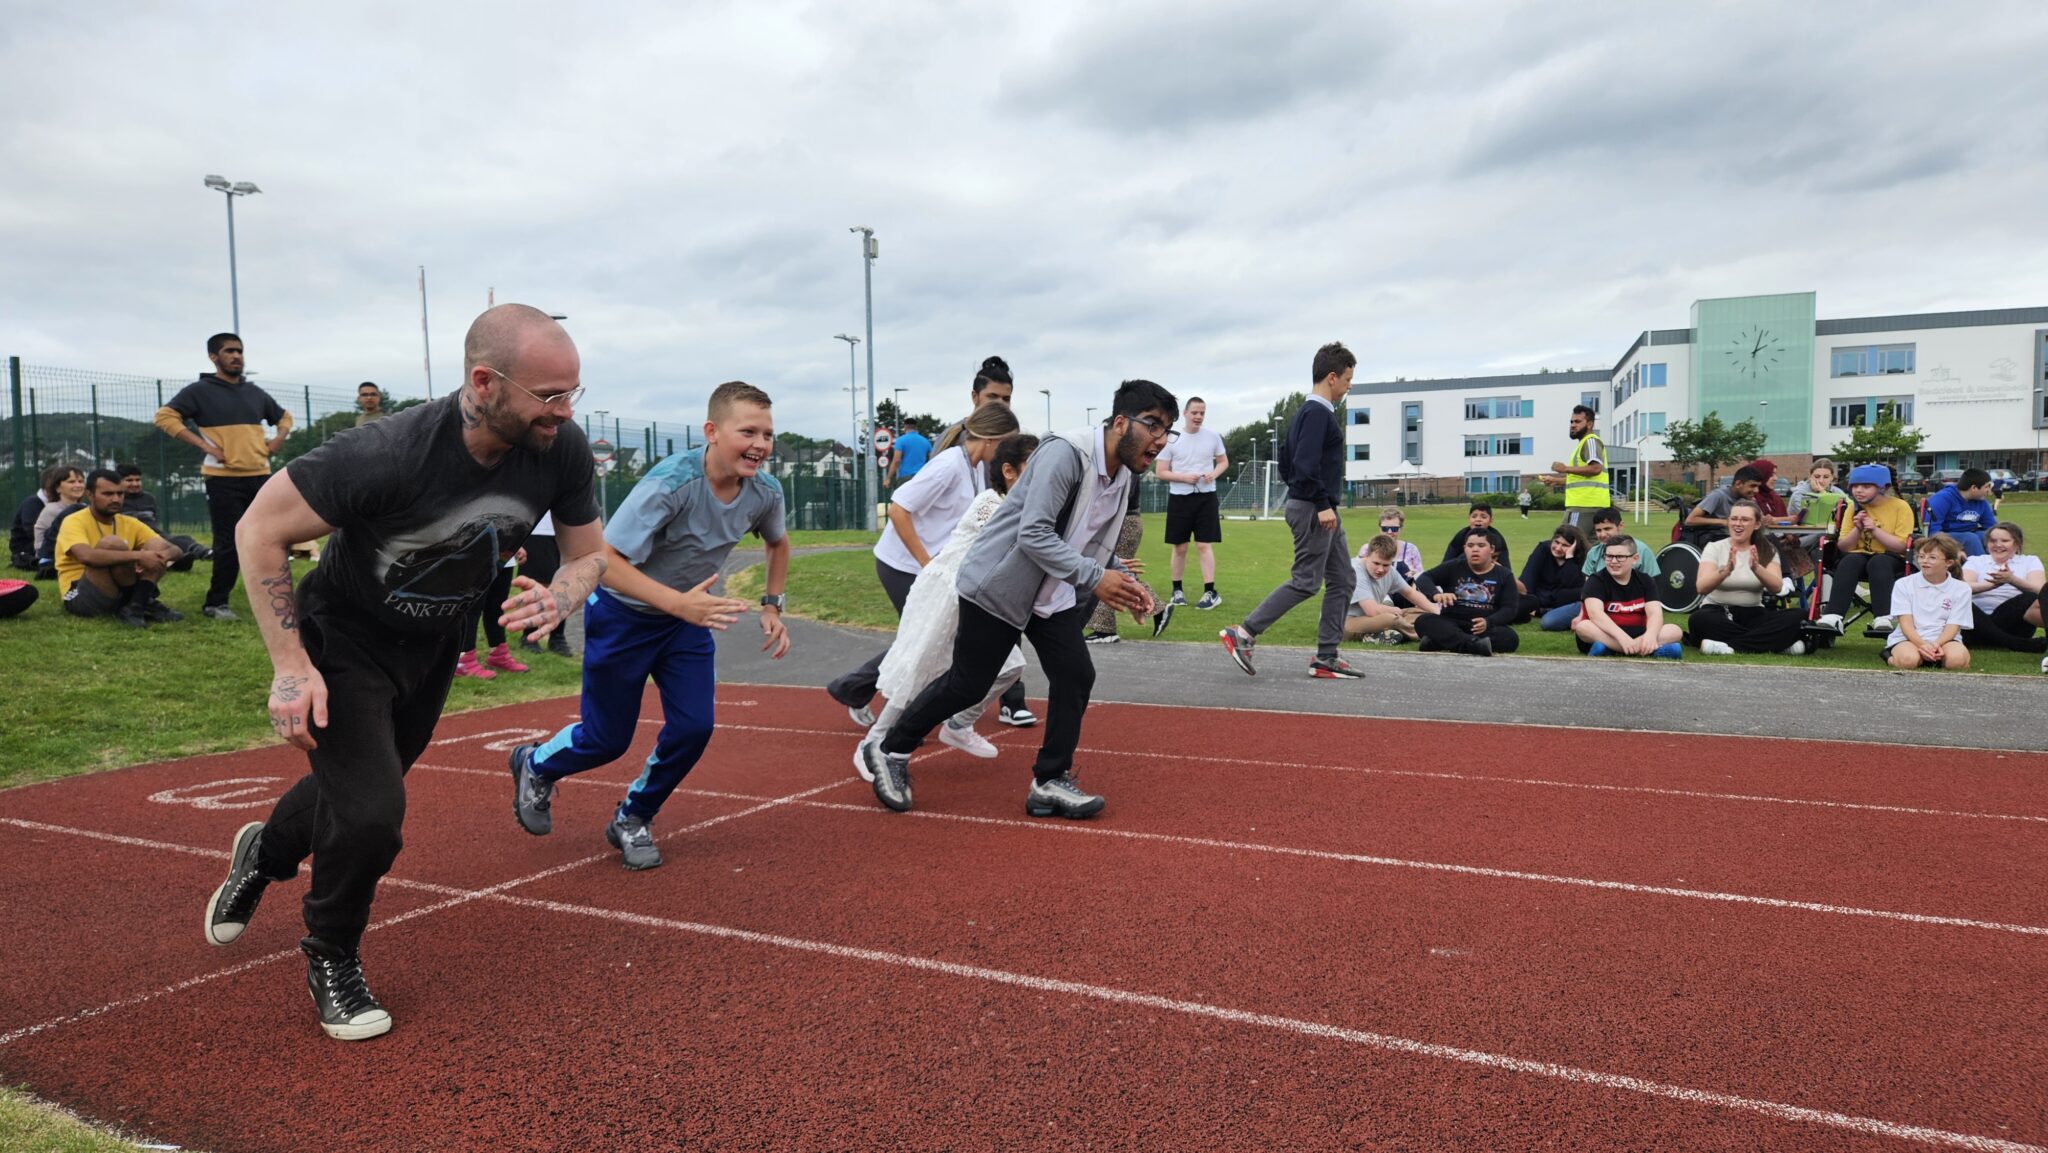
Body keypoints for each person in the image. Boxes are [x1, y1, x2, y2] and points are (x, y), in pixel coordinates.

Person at [200, 305, 607, 1042]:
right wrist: (290, 665)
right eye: (549, 395)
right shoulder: (386, 452)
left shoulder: (560, 447)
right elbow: (258, 527)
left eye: (572, 392)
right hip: (345, 638)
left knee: (362, 785)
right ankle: (331, 952)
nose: (565, 411)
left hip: (433, 644)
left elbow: (589, 554)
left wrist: (563, 594)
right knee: (371, 817)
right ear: (484, 382)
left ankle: (264, 852)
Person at [861, 379, 1173, 818]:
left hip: (1048, 591)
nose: (1161, 440)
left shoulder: (1122, 475)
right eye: (1153, 425)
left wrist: (1125, 580)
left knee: (1075, 674)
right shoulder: (1066, 453)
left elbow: (1090, 542)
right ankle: (890, 749)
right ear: (1120, 422)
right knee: (968, 683)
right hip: (999, 583)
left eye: (1168, 430)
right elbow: (1034, 534)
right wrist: (1095, 578)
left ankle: (1049, 781)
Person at [511, 379, 789, 870]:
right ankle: (534, 763)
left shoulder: (765, 492)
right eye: (748, 432)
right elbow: (604, 561)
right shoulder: (671, 484)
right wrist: (679, 605)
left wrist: (772, 606)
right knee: (606, 739)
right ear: (712, 431)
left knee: (694, 727)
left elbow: (777, 543)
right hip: (623, 615)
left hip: (685, 622)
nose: (761, 444)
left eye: (768, 434)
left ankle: (634, 815)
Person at [828, 403, 1022, 722]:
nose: (1008, 453)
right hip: (902, 565)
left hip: (928, 568)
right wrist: (927, 563)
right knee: (926, 642)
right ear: (990, 439)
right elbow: (898, 509)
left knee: (927, 640)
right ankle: (897, 722)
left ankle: (860, 692)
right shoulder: (948, 465)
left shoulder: (975, 468)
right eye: (1007, 443)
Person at [858, 434, 1040, 769]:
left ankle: (959, 724)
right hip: (946, 591)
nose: (1043, 475)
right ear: (1009, 471)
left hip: (976, 598)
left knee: (1010, 667)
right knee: (921, 666)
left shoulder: (1023, 508)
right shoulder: (991, 503)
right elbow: (1028, 544)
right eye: (1035, 466)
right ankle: (872, 743)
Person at [1220, 343, 1360, 679]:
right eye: (1347, 379)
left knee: (1343, 579)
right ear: (1331, 377)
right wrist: (1319, 503)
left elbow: (1286, 462)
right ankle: (1244, 633)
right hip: (1316, 509)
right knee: (1306, 581)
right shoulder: (1317, 414)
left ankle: (1326, 657)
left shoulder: (1303, 413)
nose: (1349, 386)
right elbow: (1303, 464)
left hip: (1317, 506)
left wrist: (1310, 497)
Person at [153, 333, 294, 621]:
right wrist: (205, 446)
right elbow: (164, 417)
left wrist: (278, 439)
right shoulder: (199, 391)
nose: (237, 356)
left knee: (272, 537)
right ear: (213, 357)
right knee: (228, 542)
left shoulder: (254, 392)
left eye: (239, 351)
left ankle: (275, 597)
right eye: (229, 351)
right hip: (222, 479)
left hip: (260, 475)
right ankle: (216, 603)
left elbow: (284, 417)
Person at [931, 356, 1032, 726]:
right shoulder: (952, 444)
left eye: (1006, 399)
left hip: (991, 552)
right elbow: (919, 502)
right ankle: (886, 702)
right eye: (993, 397)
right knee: (933, 641)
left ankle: (1011, 701)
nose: (1000, 404)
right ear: (975, 397)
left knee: (1005, 625)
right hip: (956, 554)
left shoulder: (1011, 440)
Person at [53, 470, 185, 627]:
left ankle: (136, 605)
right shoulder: (73, 521)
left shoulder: (129, 522)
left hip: (118, 589)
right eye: (108, 494)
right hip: (80, 593)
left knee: (157, 545)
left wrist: (162, 555)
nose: (116, 499)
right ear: (90, 495)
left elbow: (176, 550)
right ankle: (141, 602)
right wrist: (139, 556)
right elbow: (86, 556)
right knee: (113, 544)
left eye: (120, 494)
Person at [1687, 498, 1808, 655]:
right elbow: (1701, 587)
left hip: (1754, 613)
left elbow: (1776, 587)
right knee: (1699, 620)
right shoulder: (1714, 547)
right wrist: (1724, 571)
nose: (1738, 524)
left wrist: (1757, 568)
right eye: (1734, 519)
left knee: (1799, 616)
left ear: (1756, 524)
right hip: (1718, 611)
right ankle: (1776, 644)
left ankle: (1729, 647)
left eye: (1745, 520)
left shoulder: (1767, 549)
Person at [1813, 463, 1913, 635]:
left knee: (1878, 562)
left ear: (1882, 488)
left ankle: (1883, 617)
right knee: (1850, 560)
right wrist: (1857, 529)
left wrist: (1874, 530)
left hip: (1892, 557)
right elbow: (1844, 546)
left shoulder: (1900, 507)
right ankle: (1833, 616)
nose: (1858, 491)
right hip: (1859, 556)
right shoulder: (1853, 507)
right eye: (1855, 486)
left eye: (1866, 486)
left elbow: (1900, 546)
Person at [1154, 395, 1228, 610]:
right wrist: (1184, 478)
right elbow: (1160, 472)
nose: (1198, 416)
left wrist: (1214, 473)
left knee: (1204, 545)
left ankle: (1210, 592)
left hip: (1206, 498)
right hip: (1179, 498)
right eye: (1194, 412)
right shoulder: (1171, 438)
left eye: (1202, 413)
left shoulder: (1213, 436)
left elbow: (1223, 462)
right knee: (1180, 547)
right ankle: (1177, 591)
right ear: (1185, 413)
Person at [1083, 477, 1170, 642]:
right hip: (1125, 520)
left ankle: (1105, 630)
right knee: (1118, 572)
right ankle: (1157, 608)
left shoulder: (1124, 469)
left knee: (1109, 573)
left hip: (1123, 521)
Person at [1573, 534, 1683, 658]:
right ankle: (1648, 650)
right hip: (1607, 633)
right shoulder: (1596, 580)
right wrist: (1623, 638)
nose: (1614, 561)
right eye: (1609, 556)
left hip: (1638, 632)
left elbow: (1654, 613)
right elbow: (1596, 615)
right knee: (1583, 627)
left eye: (1620, 557)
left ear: (1635, 559)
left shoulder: (1645, 580)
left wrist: (1650, 635)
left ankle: (1610, 650)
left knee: (1674, 630)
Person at [1415, 532, 1520, 655]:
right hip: (1451, 622)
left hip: (1481, 627)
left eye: (1481, 545)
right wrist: (1436, 594)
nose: (1475, 549)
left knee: (1510, 638)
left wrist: (1488, 622)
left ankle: (1438, 642)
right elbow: (1424, 578)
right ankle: (1473, 644)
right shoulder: (1454, 566)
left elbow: (1510, 608)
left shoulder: (1504, 575)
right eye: (1470, 546)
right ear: (1464, 548)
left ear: (1492, 549)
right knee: (1423, 621)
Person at [1883, 535, 1972, 670]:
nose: (1925, 561)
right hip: (1908, 638)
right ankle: (1890, 657)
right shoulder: (1903, 584)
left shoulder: (1962, 588)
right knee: (1908, 661)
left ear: (1948, 562)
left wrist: (1936, 645)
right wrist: (1922, 645)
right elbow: (1905, 623)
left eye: (1932, 557)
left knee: (1956, 661)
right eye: (1921, 556)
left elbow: (1953, 625)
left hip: (1945, 640)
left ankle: (1937, 658)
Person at [1960, 522, 2046, 654]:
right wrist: (1992, 585)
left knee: (2030, 597)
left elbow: (2041, 591)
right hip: (1976, 621)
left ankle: (1994, 636)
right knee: (1960, 600)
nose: (1998, 545)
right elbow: (1962, 587)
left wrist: (2012, 580)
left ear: (2017, 543)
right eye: (1993, 541)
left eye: (2005, 541)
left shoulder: (2030, 561)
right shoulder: (1976, 560)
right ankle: (2014, 643)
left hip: (2013, 623)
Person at [1344, 534, 1439, 643]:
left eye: (1385, 565)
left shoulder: (1390, 572)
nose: (1380, 569)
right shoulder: (1354, 571)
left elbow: (1410, 593)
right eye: (1376, 563)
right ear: (1367, 555)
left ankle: (1383, 635)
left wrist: (1437, 612)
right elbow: (1372, 611)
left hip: (1374, 619)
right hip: (1346, 623)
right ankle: (1432, 634)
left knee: (1422, 613)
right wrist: (1395, 610)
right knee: (1390, 619)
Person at [116, 463, 207, 569]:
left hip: (154, 533)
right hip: (133, 537)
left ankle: (204, 553)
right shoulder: (116, 500)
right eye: (129, 480)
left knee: (182, 539)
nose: (135, 484)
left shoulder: (148, 498)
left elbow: (154, 520)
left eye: (137, 480)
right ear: (119, 482)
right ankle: (173, 563)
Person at [456, 551, 527, 679]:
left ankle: (498, 654)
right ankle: (464, 659)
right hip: (481, 553)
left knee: (497, 606)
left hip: (505, 555)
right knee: (473, 607)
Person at [516, 512, 575, 657]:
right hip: (538, 530)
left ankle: (557, 637)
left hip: (567, 529)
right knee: (536, 585)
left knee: (563, 583)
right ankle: (529, 635)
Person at [1517, 524, 1588, 631]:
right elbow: (1529, 575)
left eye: (1565, 545)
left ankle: (1544, 611)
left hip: (1562, 598)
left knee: (1570, 594)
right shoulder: (1543, 549)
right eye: (1556, 542)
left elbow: (1572, 583)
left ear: (1574, 547)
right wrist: (1529, 602)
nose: (1558, 548)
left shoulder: (1579, 558)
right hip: (1540, 595)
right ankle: (1541, 610)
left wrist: (1569, 558)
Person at [1551, 403, 1611, 527]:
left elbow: (1596, 469)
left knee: (1568, 538)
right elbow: (1581, 479)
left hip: (1584, 506)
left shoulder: (1590, 441)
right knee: (1583, 541)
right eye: (1571, 422)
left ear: (1589, 424)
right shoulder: (1583, 444)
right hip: (1588, 506)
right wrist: (1556, 481)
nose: (1573, 425)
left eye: (1577, 422)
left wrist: (1565, 468)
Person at [1923, 468, 1996, 557]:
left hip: (1971, 533)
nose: (1989, 490)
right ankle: (1980, 565)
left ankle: (2001, 563)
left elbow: (1992, 527)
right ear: (1974, 488)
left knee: (1987, 536)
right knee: (1970, 539)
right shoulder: (1942, 498)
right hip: (1944, 535)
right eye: (1987, 486)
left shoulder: (1981, 502)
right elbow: (1933, 531)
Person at [1683, 465, 1765, 541]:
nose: (1756, 490)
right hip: (1719, 539)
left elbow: (1759, 520)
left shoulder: (1748, 499)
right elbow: (1690, 520)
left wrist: (1765, 519)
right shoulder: (1718, 496)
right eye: (1752, 486)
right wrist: (1723, 522)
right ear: (1738, 484)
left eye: (1758, 486)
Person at [1579, 507, 1661, 580]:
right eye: (1598, 530)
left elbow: (1652, 582)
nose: (1603, 535)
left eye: (1607, 529)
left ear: (1620, 525)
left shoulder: (1642, 550)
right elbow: (1589, 583)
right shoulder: (1593, 553)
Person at [31, 466, 85, 562]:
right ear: (58, 488)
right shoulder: (52, 510)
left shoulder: (84, 507)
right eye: (71, 482)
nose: (78, 485)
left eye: (80, 481)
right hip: (51, 558)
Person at [1440, 502, 1509, 565]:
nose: (1478, 519)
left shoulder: (1497, 538)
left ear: (1490, 520)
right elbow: (1445, 563)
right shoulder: (1460, 536)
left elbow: (1506, 567)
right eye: (1474, 516)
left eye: (1483, 517)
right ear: (1469, 519)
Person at [1788, 458, 1848, 522]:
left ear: (1832, 477)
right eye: (1817, 476)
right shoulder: (1799, 493)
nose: (1821, 481)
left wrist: (1823, 492)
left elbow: (1849, 509)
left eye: (1826, 477)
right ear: (1810, 476)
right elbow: (1814, 518)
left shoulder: (1837, 492)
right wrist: (1822, 492)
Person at [1376, 506, 1425, 582]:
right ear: (1379, 528)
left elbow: (1419, 571)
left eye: (1394, 529)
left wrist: (1409, 574)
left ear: (1401, 529)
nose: (1389, 532)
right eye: (1385, 528)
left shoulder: (1411, 549)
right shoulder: (1368, 549)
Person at [887, 418, 933, 488]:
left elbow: (896, 461)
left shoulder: (900, 441)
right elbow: (932, 460)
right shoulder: (926, 441)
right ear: (916, 427)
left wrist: (888, 478)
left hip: (906, 478)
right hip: (921, 477)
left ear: (905, 427)